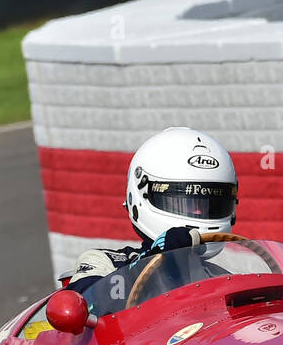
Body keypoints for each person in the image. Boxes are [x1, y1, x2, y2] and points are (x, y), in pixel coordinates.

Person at [65, 127, 240, 310]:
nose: (198, 211)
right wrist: (152, 261)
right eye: (186, 202)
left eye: (213, 204)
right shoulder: (105, 263)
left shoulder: (223, 280)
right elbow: (82, 307)